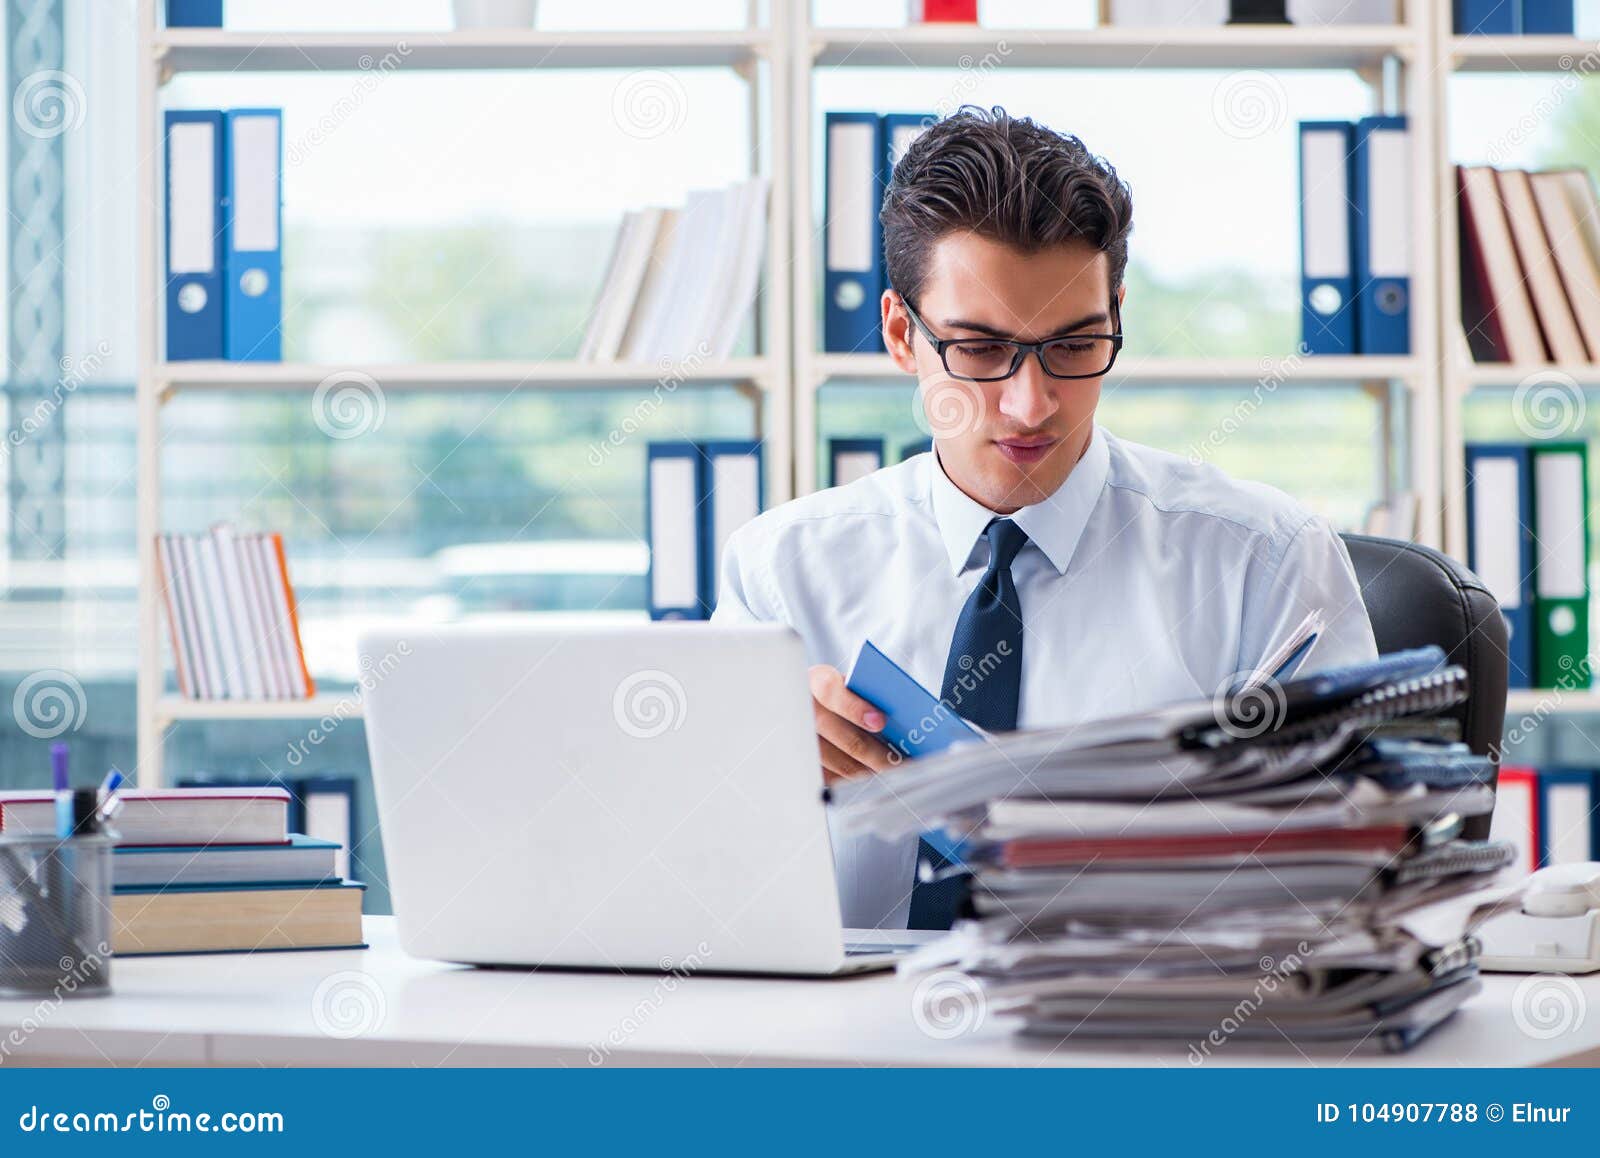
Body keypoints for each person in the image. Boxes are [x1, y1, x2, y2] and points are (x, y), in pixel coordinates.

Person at [711, 106, 1377, 930]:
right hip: (843, 1048)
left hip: (1147, 1040)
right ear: (898, 333)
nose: (1031, 406)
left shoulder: (1264, 564)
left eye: (1073, 345)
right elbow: (693, 879)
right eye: (982, 350)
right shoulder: (780, 574)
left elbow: (1354, 882)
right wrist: (751, 766)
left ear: (1117, 318)